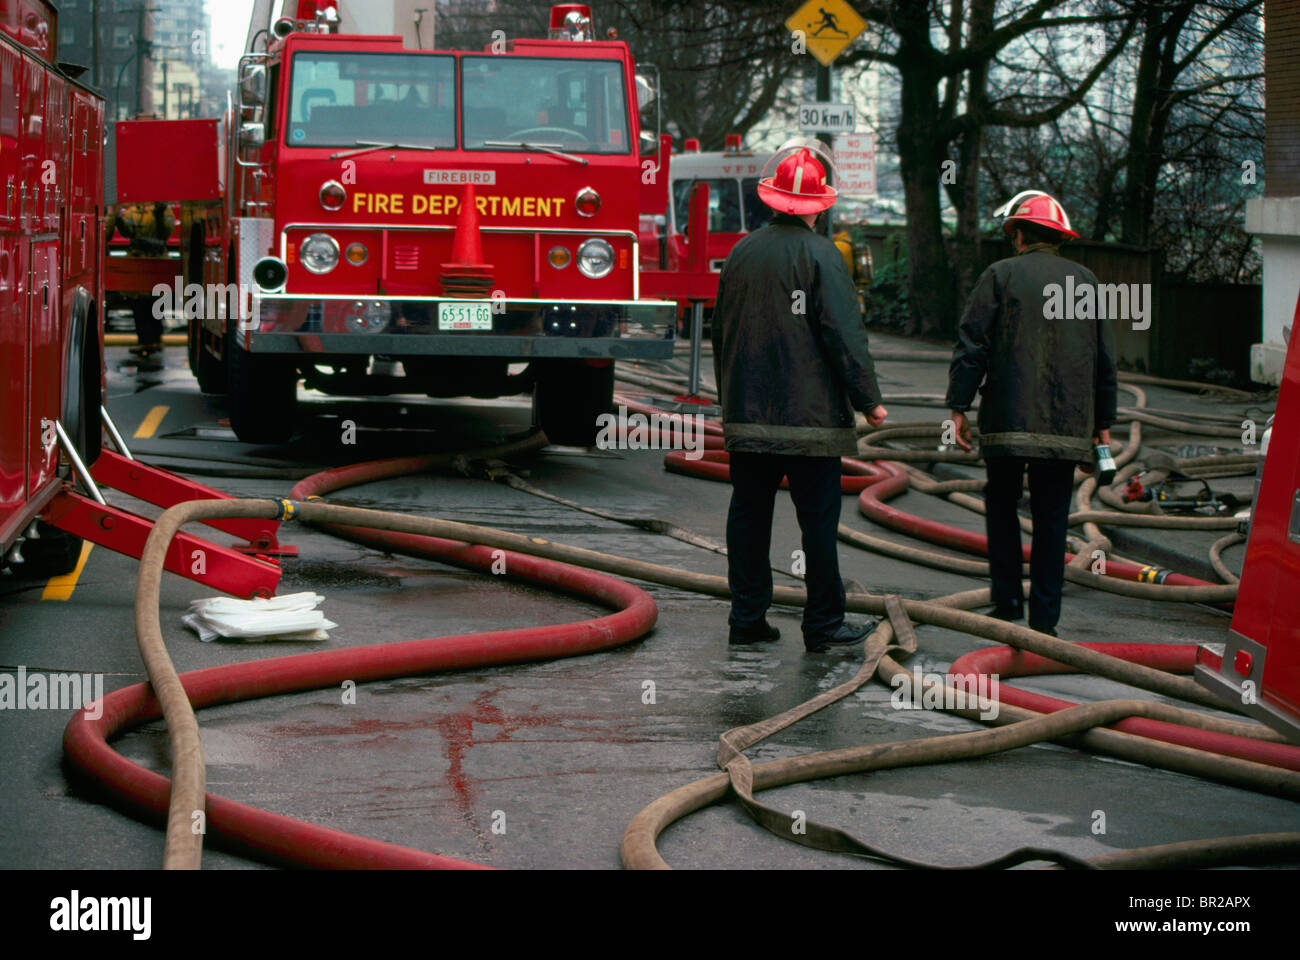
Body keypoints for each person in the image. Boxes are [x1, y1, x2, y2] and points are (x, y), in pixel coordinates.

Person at [712, 143, 888, 653]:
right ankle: (823, 624)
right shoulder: (823, 256)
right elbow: (843, 335)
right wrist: (868, 400)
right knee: (817, 525)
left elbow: (722, 333)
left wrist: (733, 403)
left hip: (749, 418)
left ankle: (747, 619)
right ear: (820, 205)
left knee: (748, 516)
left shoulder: (742, 253)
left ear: (771, 200)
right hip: (812, 423)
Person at [946, 190, 1118, 636]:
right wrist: (1102, 426)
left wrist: (958, 407)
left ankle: (1007, 606)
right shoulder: (1086, 282)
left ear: (1020, 235)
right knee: (1052, 518)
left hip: (1007, 421)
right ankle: (1045, 622)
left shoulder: (999, 275)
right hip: (1067, 426)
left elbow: (972, 347)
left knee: (1001, 505)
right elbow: (1103, 361)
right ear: (1058, 237)